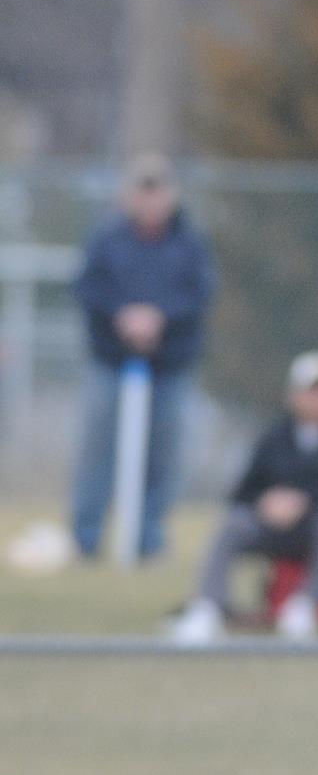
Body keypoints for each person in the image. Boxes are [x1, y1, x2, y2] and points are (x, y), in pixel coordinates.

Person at [170, 351, 318, 643]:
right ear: (293, 395)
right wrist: (267, 502)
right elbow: (242, 492)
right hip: (274, 527)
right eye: (311, 392)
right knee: (235, 523)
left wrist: (307, 500)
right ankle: (209, 607)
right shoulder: (274, 437)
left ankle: (307, 606)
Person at [70, 152, 215, 561]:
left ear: (171, 194)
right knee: (98, 450)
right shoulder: (106, 237)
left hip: (171, 365)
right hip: (111, 361)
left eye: (158, 190)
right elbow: (87, 287)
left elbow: (199, 293)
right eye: (143, 190)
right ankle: (86, 537)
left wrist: (159, 317)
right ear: (129, 194)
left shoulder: (190, 241)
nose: (151, 199)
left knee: (163, 455)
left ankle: (148, 538)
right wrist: (123, 314)